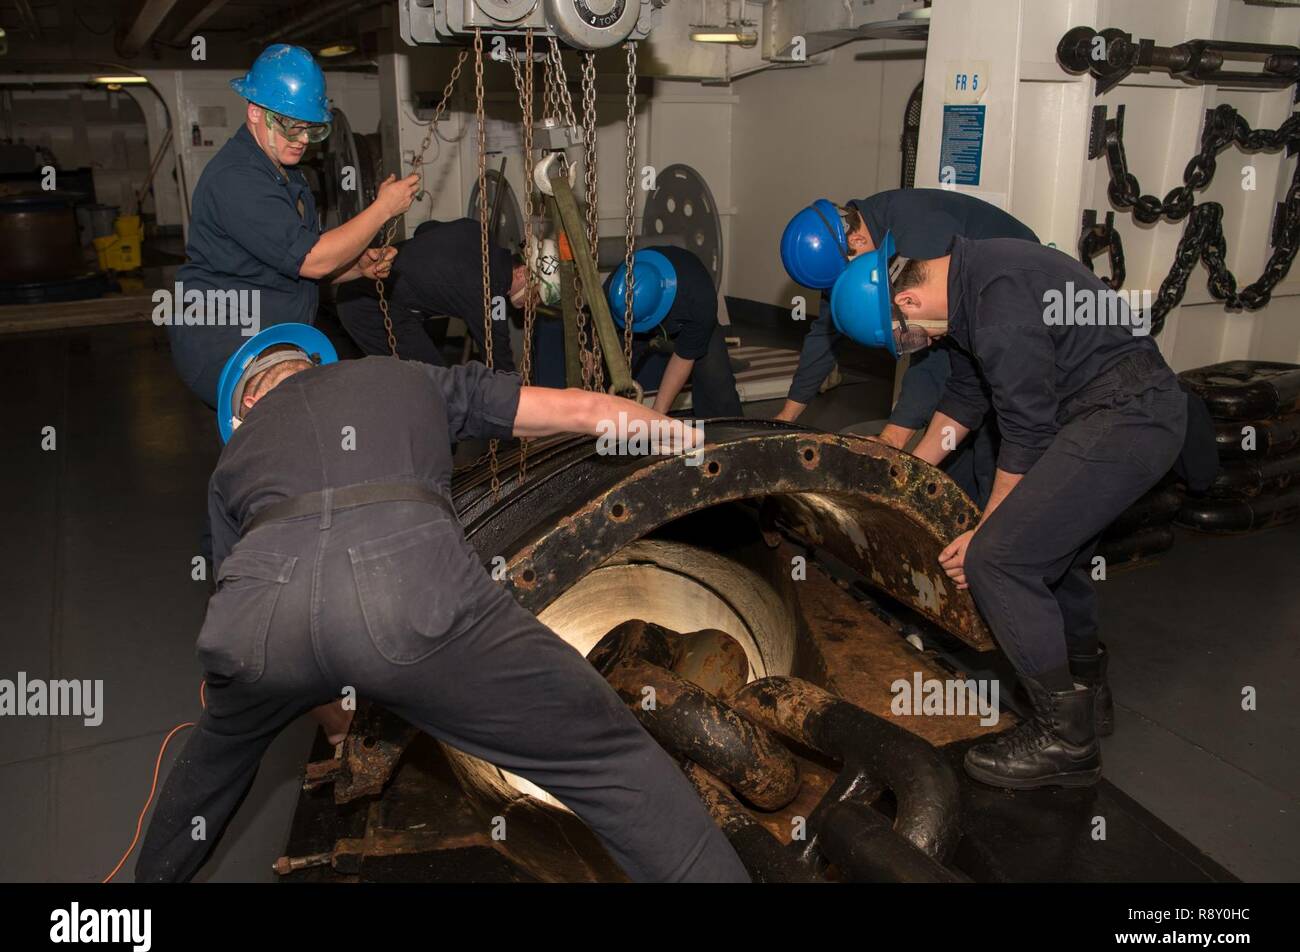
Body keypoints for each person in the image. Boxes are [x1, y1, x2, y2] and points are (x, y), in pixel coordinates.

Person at [134, 323, 749, 883]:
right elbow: (580, 410)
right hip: (413, 592)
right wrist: (685, 438)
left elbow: (249, 588)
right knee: (606, 758)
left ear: (246, 405)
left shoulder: (232, 459)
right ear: (318, 363)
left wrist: (326, 697)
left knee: (206, 777)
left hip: (257, 630)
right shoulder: (404, 376)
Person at [829, 234, 1187, 789]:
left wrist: (987, 528)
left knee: (999, 560)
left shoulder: (997, 301)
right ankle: (1085, 691)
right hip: (1115, 413)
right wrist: (905, 479)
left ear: (907, 303)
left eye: (907, 338)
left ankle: (1065, 741)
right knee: (1055, 556)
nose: (917, 344)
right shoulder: (975, 281)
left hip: (1128, 419)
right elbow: (966, 400)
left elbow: (1025, 427)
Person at [168, 44, 419, 408]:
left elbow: (290, 263)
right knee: (289, 428)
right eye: (292, 128)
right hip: (224, 339)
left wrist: (355, 266)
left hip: (267, 330)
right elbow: (311, 260)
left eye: (311, 130)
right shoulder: (237, 180)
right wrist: (382, 209)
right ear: (255, 113)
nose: (303, 140)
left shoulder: (284, 174)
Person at [776, 189, 1038, 505]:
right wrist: (786, 417)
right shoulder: (847, 245)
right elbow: (825, 333)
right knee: (957, 431)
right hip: (966, 335)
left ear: (856, 243)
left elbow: (932, 352)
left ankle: (987, 529)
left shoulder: (919, 238)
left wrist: (892, 439)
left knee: (992, 447)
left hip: (1013, 304)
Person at [334, 218, 532, 369]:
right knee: (434, 386)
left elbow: (425, 228)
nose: (532, 304)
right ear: (522, 272)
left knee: (427, 376)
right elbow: (499, 359)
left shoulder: (477, 230)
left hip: (356, 284)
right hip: (369, 306)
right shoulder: (491, 291)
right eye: (536, 295)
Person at [601, 245, 742, 418]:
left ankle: (728, 435)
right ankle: (605, 430)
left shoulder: (699, 299)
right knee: (606, 379)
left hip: (687, 314)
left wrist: (657, 416)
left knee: (717, 384)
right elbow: (593, 337)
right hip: (630, 324)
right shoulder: (614, 290)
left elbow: (683, 358)